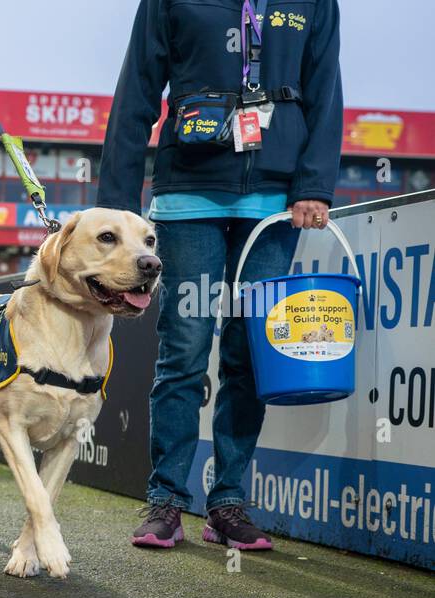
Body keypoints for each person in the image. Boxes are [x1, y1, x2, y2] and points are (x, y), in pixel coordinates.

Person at [97, 0, 342, 551]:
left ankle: (228, 502)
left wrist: (314, 185)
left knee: (249, 351)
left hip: (275, 204)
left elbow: (325, 88)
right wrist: (115, 205)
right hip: (188, 195)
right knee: (183, 348)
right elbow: (137, 89)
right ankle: (165, 500)